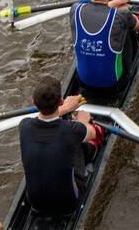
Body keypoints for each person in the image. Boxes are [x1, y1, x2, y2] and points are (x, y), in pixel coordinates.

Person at [19, 77, 105, 216]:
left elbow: (48, 117)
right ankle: (92, 153)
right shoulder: (72, 130)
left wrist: (65, 109)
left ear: (34, 102)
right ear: (60, 101)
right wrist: (83, 120)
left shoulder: (24, 126)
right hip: (68, 204)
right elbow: (92, 133)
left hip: (35, 203)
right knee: (81, 141)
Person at [70, 0, 139, 92]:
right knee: (129, 27)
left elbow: (98, 9)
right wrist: (122, 5)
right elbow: (138, 26)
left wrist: (115, 2)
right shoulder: (121, 15)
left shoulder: (75, 10)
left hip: (83, 82)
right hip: (115, 85)